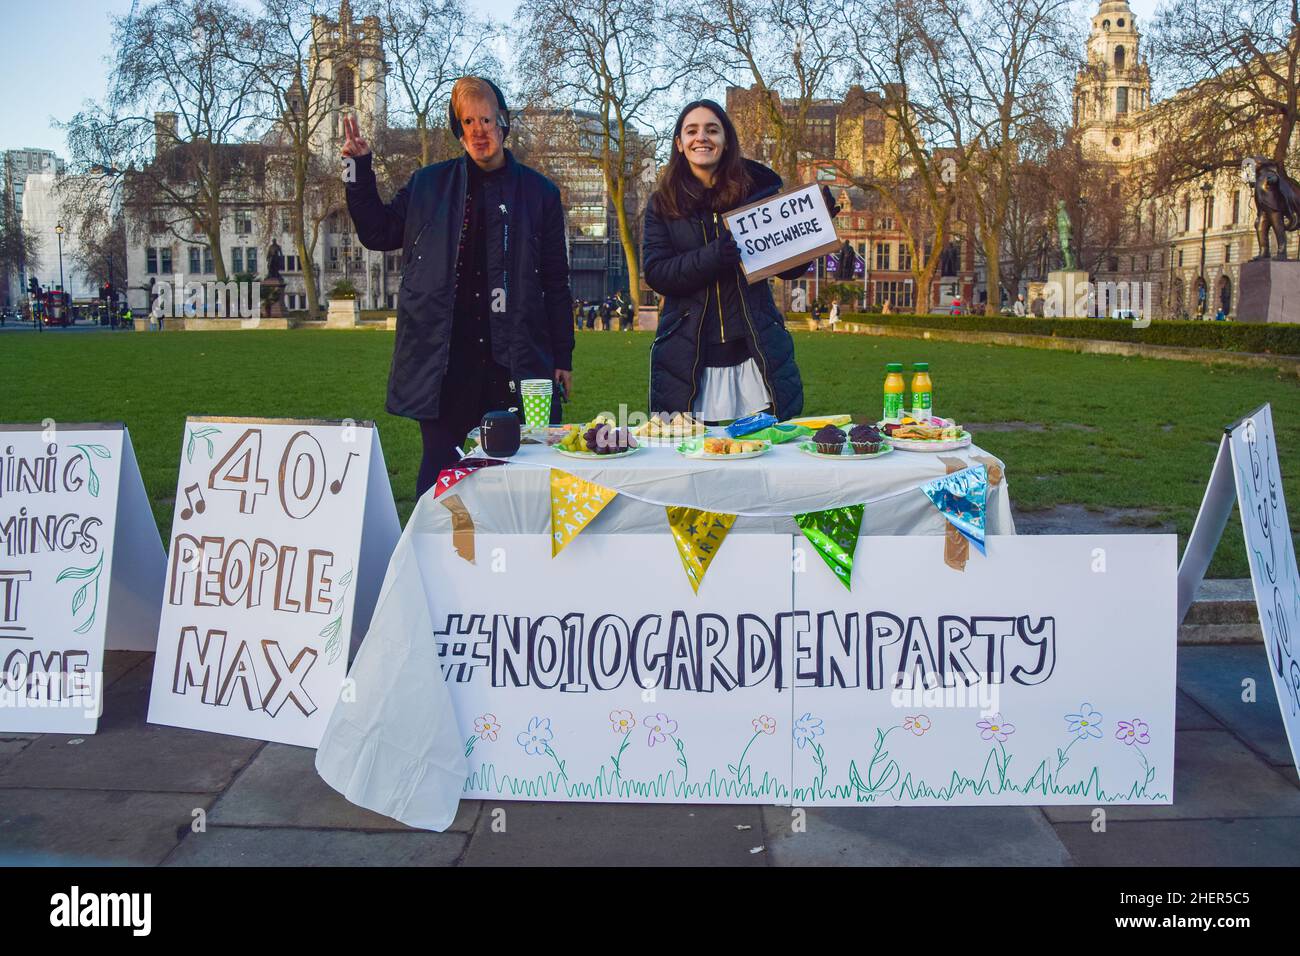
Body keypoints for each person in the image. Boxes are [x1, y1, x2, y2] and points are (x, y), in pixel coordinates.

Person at [342, 77, 574, 498]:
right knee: (440, 478)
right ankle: (439, 557)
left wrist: (563, 356)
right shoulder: (428, 185)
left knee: (522, 477)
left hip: (514, 357)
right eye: (468, 121)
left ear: (503, 122)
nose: (478, 131)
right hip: (444, 360)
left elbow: (556, 281)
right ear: (457, 128)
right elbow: (378, 232)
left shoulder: (540, 193)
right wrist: (357, 169)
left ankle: (515, 559)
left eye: (486, 119)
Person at [642, 99, 817, 423]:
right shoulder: (661, 204)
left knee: (765, 455)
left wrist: (812, 232)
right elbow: (656, 272)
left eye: (712, 130)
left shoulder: (757, 193)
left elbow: (788, 268)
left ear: (726, 141)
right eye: (692, 131)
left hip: (757, 351)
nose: (702, 138)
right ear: (680, 143)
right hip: (689, 355)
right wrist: (712, 257)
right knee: (693, 460)